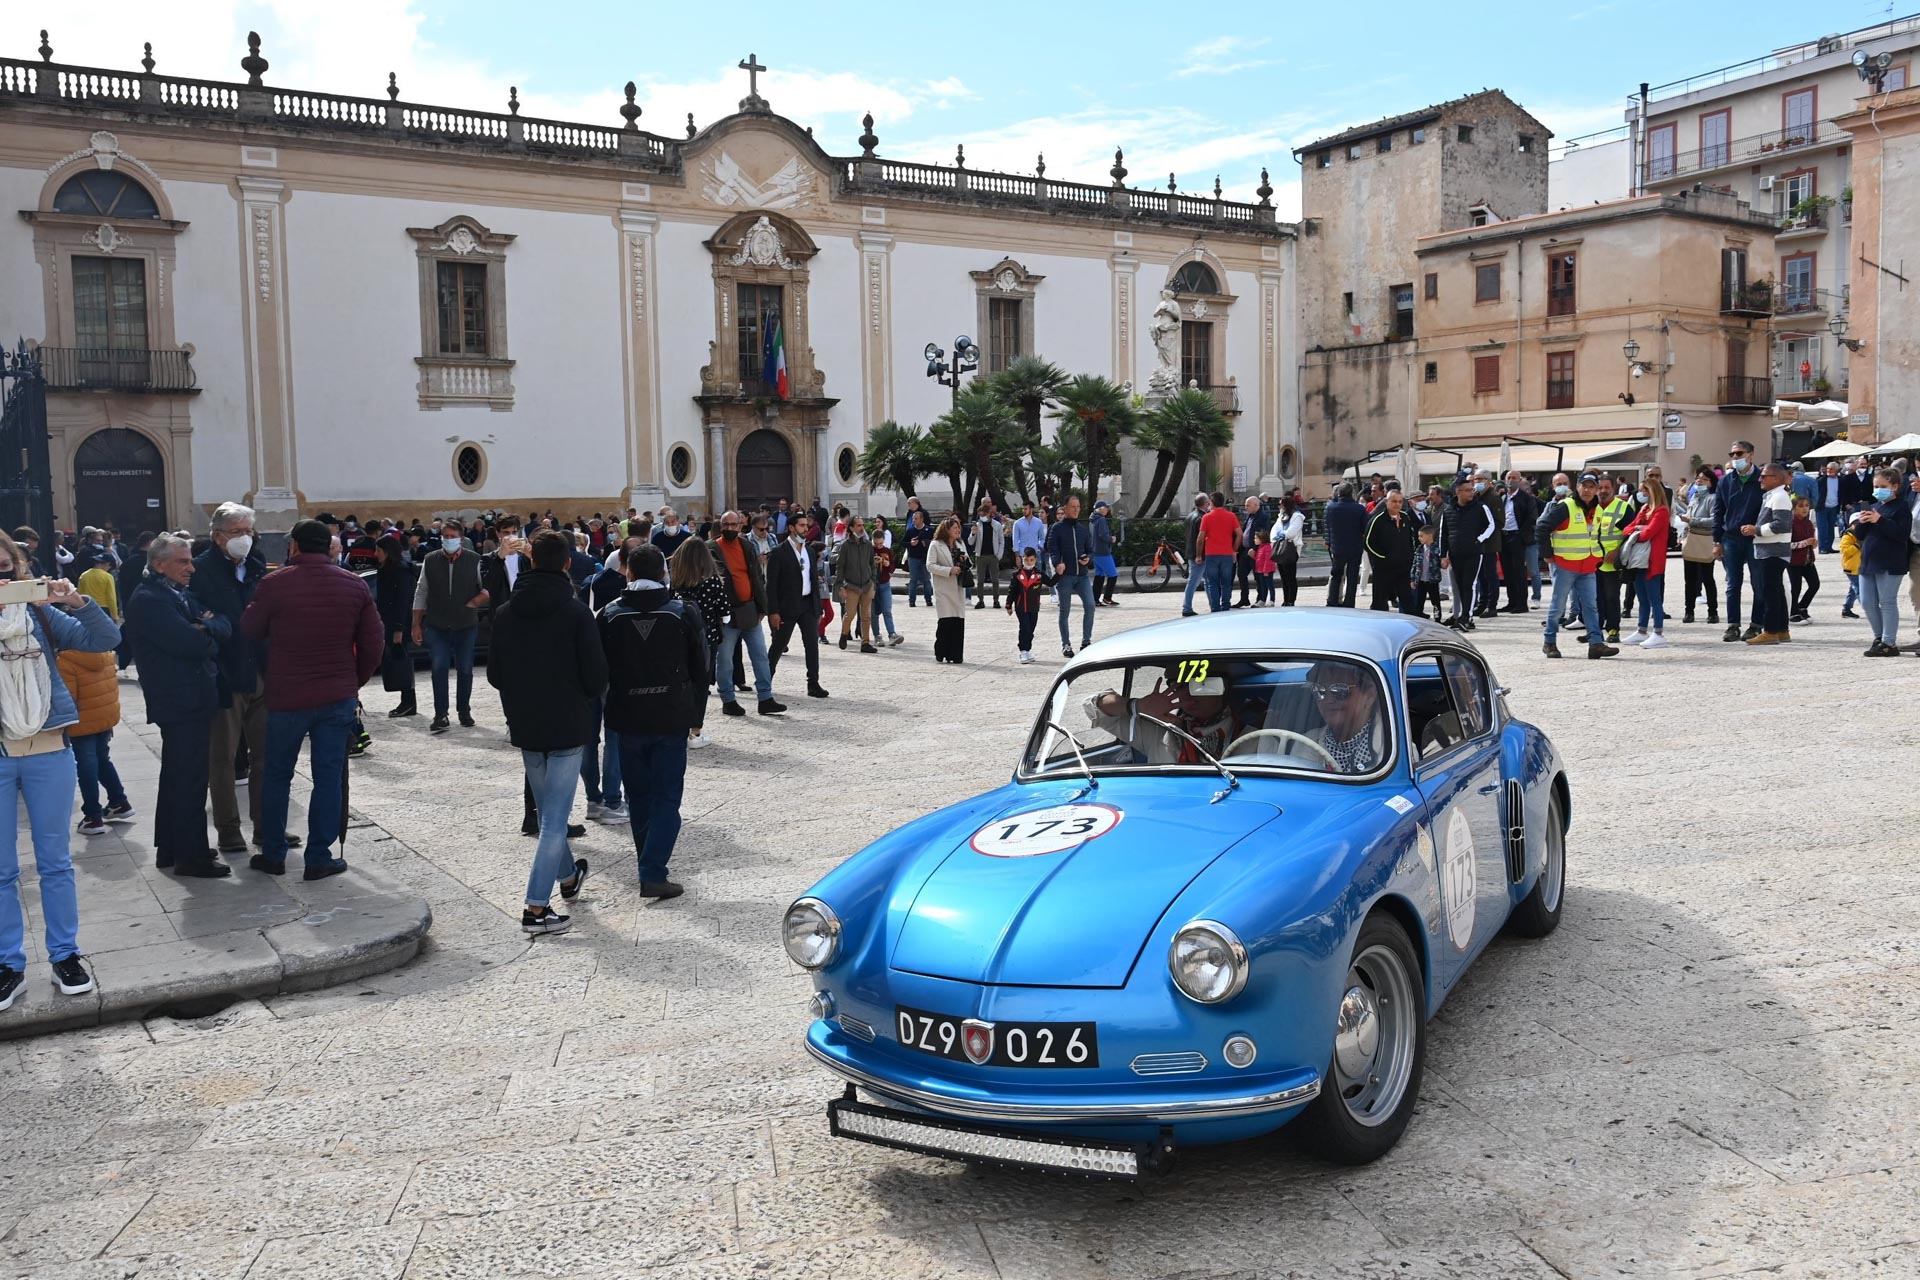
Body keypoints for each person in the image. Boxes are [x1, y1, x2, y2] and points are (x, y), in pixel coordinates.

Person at [0, 532, 121, 1010]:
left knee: (55, 862)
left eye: (5, 569)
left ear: (19, 568)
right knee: (1, 869)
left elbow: (106, 638)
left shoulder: (41, 616)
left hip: (49, 749)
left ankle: (65, 955)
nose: (0, 578)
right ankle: (8, 964)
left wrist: (76, 600)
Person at [241, 520, 382, 879]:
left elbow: (250, 629)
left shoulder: (275, 584)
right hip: (336, 695)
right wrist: (354, 680)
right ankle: (319, 856)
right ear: (329, 547)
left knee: (276, 776)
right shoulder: (354, 585)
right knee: (328, 777)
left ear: (294, 548)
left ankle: (272, 853)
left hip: (287, 694)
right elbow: (372, 642)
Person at [486, 530, 605, 935]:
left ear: (531, 561)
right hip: (568, 723)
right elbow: (596, 677)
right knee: (554, 820)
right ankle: (536, 908)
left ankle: (568, 877)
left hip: (526, 724)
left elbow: (496, 675)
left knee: (548, 813)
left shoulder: (505, 612)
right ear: (568, 564)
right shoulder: (575, 613)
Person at [600, 545, 705, 899]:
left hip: (627, 717)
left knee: (639, 795)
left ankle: (649, 864)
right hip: (671, 716)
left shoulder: (609, 614)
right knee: (667, 796)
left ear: (627, 573)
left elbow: (599, 669)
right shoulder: (681, 612)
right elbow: (700, 667)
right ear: (663, 573)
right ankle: (652, 870)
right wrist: (697, 716)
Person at [125, 533, 231, 875]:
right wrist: (206, 633)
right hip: (179, 700)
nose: (191, 568)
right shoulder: (150, 599)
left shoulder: (175, 593)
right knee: (188, 779)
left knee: (178, 775)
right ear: (159, 564)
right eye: (183, 562)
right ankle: (191, 855)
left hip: (192, 697)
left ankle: (171, 847)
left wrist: (208, 628)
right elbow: (191, 643)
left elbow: (222, 622)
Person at [191, 503, 283, 857]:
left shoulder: (258, 567)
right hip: (225, 673)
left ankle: (266, 826)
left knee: (266, 756)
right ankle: (228, 830)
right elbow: (199, 617)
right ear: (217, 537)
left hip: (261, 668)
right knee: (223, 758)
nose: (244, 538)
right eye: (236, 532)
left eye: (249, 531)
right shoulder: (200, 571)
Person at [62, 561, 134, 837]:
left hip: (81, 722)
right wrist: (113, 617)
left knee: (87, 767)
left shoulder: (66, 658)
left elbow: (68, 696)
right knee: (102, 759)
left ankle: (93, 816)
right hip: (104, 718)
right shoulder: (105, 652)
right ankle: (119, 801)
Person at [410, 523, 486, 733]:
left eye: (452, 536)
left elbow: (486, 589)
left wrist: (473, 603)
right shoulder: (431, 559)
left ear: (461, 539)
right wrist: (416, 623)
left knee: (465, 669)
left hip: (466, 624)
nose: (448, 539)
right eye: (445, 536)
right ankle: (440, 714)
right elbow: (421, 591)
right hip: (437, 624)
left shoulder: (474, 559)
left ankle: (464, 710)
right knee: (439, 667)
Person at [1535, 472, 1617, 660]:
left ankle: (1595, 643)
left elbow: (1594, 536)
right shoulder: (1565, 507)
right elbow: (1541, 527)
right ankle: (1550, 642)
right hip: (1566, 564)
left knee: (1591, 606)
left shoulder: (1598, 510)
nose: (1587, 490)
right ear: (1577, 487)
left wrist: (1600, 554)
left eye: (1591, 487)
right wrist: (1547, 554)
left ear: (1596, 489)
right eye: (1584, 486)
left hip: (1587, 565)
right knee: (1558, 606)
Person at [669, 537, 730, 749]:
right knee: (701, 684)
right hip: (707, 638)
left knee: (681, 682)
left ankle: (679, 726)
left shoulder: (676, 581)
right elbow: (724, 610)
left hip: (680, 637)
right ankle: (695, 731)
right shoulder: (712, 581)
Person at [1850, 468, 1911, 656]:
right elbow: (1859, 535)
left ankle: (1888, 641)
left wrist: (1880, 520)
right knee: (1867, 601)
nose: (1878, 490)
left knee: (1887, 602)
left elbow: (1901, 534)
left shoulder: (1901, 507)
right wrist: (1862, 522)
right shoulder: (1875, 507)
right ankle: (1879, 637)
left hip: (1891, 561)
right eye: (1876, 486)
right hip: (1869, 560)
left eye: (1882, 486)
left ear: (1895, 486)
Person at [766, 513, 829, 698]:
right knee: (779, 644)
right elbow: (771, 585)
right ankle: (765, 680)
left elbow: (813, 581)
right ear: (792, 528)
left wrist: (817, 608)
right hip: (787, 606)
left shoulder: (809, 551)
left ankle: (813, 683)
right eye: (801, 525)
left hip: (807, 604)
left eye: (806, 525)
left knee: (811, 644)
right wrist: (773, 611)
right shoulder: (778, 552)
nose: (805, 528)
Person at [1713, 440, 1765, 643]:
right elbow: (1718, 512)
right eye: (1732, 454)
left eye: (1739, 454)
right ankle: (1733, 625)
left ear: (1750, 455)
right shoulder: (1726, 481)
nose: (1735, 458)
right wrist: (1717, 541)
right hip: (1731, 538)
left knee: (1758, 583)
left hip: (1754, 539)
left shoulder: (1761, 479)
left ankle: (1756, 624)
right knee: (1732, 584)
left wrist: (1759, 530)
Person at [1744, 463, 1796, 645]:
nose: (1760, 479)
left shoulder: (1780, 496)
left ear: (1776, 478)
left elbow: (1781, 524)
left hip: (1773, 550)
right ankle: (1782, 630)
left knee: (1770, 592)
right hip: (1771, 549)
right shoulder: (1774, 496)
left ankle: (1771, 631)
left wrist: (1756, 530)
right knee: (1777, 591)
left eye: (1764, 476)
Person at [1620, 477, 1672, 649]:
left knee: (1654, 598)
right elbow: (1628, 529)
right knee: (1642, 597)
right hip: (1638, 560)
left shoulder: (1662, 511)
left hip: (1652, 560)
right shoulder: (1645, 509)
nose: (1641, 494)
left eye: (1644, 490)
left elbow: (1648, 534)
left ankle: (1658, 632)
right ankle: (1642, 630)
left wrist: (1639, 530)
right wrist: (1637, 528)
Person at [1440, 477, 1494, 630]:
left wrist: (1479, 539)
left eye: (1472, 489)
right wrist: (1443, 555)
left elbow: (1491, 525)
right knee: (1457, 585)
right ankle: (1458, 615)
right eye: (1468, 490)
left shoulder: (1480, 507)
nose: (1472, 492)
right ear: (1458, 492)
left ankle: (1467, 617)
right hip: (1455, 553)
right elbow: (1443, 534)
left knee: (1468, 584)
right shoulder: (1448, 510)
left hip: (1473, 552)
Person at [373, 535, 417, 718]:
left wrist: (398, 629)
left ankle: (408, 702)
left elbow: (401, 602)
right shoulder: (386, 569)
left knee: (401, 663)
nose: (375, 554)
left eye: (378, 550)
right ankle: (405, 701)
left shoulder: (400, 571)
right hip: (388, 622)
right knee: (395, 661)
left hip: (397, 624)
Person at [1047, 497, 1098, 655]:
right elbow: (1052, 548)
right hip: (1065, 577)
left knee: (1090, 606)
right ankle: (1066, 644)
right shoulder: (1057, 528)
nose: (1076, 509)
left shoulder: (1082, 529)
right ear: (1065, 508)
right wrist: (1057, 564)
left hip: (1082, 576)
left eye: (1078, 506)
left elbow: (1090, 549)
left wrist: (1088, 559)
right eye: (1073, 507)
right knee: (1065, 611)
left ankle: (1086, 642)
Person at [1592, 476, 1632, 643]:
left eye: (1606, 487)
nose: (1603, 491)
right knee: (1594, 598)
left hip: (1612, 563)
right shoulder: (1592, 508)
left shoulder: (1623, 508)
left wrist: (1617, 551)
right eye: (1600, 488)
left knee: (1611, 597)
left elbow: (1631, 535)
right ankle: (1595, 632)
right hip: (1593, 561)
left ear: (1613, 489)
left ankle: (1613, 629)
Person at [1365, 490, 1418, 614]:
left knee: (1407, 600)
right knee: (1380, 602)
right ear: (1386, 502)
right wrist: (1384, 558)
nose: (1397, 504)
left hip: (1403, 568)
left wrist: (1410, 555)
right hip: (1384, 569)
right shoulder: (1377, 520)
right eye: (1394, 501)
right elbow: (1368, 543)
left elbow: (1412, 538)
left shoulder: (1405, 517)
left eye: (1400, 502)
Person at [1680, 468, 1721, 625]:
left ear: (1711, 483)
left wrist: (1692, 520)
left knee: (1707, 578)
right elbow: (1687, 520)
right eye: (1698, 478)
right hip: (1691, 539)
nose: (1699, 481)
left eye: (1704, 479)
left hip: (1705, 539)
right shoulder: (1694, 497)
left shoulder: (1713, 498)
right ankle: (1689, 611)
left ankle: (1713, 612)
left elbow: (1714, 520)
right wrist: (1683, 533)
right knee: (1689, 579)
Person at [928, 514, 969, 664]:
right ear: (946, 530)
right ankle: (941, 652)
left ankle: (956, 654)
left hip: (957, 587)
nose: (958, 530)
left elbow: (969, 561)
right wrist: (948, 570)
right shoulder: (935, 545)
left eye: (958, 527)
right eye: (955, 528)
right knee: (946, 621)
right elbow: (930, 565)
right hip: (944, 588)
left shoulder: (960, 544)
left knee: (958, 621)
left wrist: (964, 562)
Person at [835, 514, 878, 654]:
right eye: (858, 525)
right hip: (852, 585)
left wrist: (873, 581)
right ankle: (844, 633)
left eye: (862, 525)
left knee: (866, 616)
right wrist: (840, 585)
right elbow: (840, 567)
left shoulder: (867, 545)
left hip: (866, 585)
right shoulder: (845, 546)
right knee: (851, 613)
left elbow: (872, 564)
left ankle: (865, 642)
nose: (861, 528)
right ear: (852, 527)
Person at [1499, 473, 1540, 613]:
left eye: (1514, 478)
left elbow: (1531, 518)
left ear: (1519, 480)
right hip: (1504, 537)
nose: (1511, 481)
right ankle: (1512, 602)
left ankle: (1522, 603)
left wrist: (1521, 536)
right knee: (1508, 571)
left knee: (1519, 572)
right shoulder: (1503, 498)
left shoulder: (1526, 498)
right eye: (1509, 478)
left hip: (1518, 537)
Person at [1323, 485, 1368, 607]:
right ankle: (1349, 602)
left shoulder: (1331, 508)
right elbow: (1365, 528)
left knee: (1336, 574)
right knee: (1352, 577)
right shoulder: (1359, 509)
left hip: (1337, 547)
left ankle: (1332, 600)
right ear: (1351, 493)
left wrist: (1329, 541)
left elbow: (1327, 526)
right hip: (1355, 546)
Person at [1196, 490, 1240, 614]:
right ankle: (1226, 606)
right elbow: (1239, 534)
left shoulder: (1207, 517)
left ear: (1211, 503)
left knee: (1212, 583)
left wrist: (1199, 554)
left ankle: (1215, 608)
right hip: (1226, 553)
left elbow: (1200, 537)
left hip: (1211, 554)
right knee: (1226, 582)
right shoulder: (1231, 516)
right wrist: (1234, 549)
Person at [1006, 547, 1045, 664]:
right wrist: (1009, 605)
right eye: (1027, 559)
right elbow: (1012, 591)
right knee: (1025, 628)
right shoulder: (1017, 575)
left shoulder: (1039, 574)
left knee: (1031, 629)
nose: (1029, 562)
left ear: (1035, 560)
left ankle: (1028, 650)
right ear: (1023, 559)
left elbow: (1051, 582)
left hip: (1034, 607)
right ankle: (1022, 650)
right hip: (1021, 607)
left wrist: (1059, 573)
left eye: (1031, 560)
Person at [970, 500, 1011, 610]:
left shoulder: (996, 525)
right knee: (980, 580)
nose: (982, 516)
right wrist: (973, 533)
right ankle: (980, 600)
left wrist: (999, 555)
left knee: (995, 579)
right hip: (980, 555)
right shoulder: (977, 525)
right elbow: (970, 542)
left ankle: (996, 600)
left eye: (983, 514)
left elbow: (1001, 541)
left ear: (989, 513)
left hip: (993, 555)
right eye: (980, 514)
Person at [1233, 495, 1270, 609]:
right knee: (1241, 574)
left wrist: (1255, 548)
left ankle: (1261, 598)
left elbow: (1263, 534)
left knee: (1258, 576)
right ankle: (1244, 598)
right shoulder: (1250, 516)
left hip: (1256, 551)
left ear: (1256, 505)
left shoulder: (1263, 517)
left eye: (1248, 505)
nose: (1246, 507)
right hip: (1245, 550)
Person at [1788, 496, 1820, 625]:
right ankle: (1793, 612)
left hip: (1807, 560)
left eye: (1807, 505)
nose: (1804, 508)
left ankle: (1802, 607)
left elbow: (1812, 540)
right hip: (1794, 561)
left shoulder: (1808, 523)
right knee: (1796, 587)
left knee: (1814, 584)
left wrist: (1813, 544)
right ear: (1794, 508)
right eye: (1800, 506)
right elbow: (1787, 544)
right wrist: (1805, 543)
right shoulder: (1790, 523)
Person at [869, 517, 902, 646]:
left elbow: (893, 567)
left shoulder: (887, 551)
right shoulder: (869, 550)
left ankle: (892, 634)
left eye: (880, 544)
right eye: (876, 544)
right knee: (874, 612)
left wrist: (887, 564)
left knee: (887, 610)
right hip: (872, 584)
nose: (878, 547)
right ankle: (877, 636)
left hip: (884, 583)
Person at [1180, 493, 1211, 617]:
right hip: (1199, 554)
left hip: (1192, 552)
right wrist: (1199, 555)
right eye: (1208, 502)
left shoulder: (1190, 516)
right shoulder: (1202, 518)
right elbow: (1200, 539)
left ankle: (1213, 604)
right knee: (1194, 581)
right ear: (1205, 504)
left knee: (1207, 580)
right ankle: (1187, 607)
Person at [1088, 500, 1120, 608]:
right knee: (1113, 574)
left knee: (1099, 575)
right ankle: (1107, 598)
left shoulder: (1092, 520)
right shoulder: (1101, 520)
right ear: (1101, 509)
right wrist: (1111, 538)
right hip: (1103, 552)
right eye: (1106, 508)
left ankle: (1095, 599)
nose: (1107, 510)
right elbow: (1103, 535)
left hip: (1095, 552)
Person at [1411, 525, 1444, 620]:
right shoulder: (1419, 549)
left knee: (1435, 601)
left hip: (1432, 580)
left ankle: (1437, 618)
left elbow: (1440, 562)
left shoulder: (1437, 548)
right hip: (1420, 580)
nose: (1419, 538)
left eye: (1421, 536)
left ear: (1430, 536)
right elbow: (1415, 564)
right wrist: (1413, 579)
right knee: (1419, 601)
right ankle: (1418, 616)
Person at [902, 509, 934, 607]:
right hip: (913, 557)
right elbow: (903, 543)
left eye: (916, 518)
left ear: (921, 519)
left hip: (925, 558)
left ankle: (928, 599)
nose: (914, 520)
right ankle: (912, 600)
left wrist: (927, 543)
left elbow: (935, 542)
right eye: (913, 519)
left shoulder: (929, 530)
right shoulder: (910, 531)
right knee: (913, 580)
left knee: (926, 579)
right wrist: (910, 543)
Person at [1815, 461, 1845, 555]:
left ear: (1837, 470)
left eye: (1831, 469)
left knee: (1831, 528)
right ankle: (1822, 548)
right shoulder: (1821, 480)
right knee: (1822, 528)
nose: (1829, 470)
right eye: (1828, 468)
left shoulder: (1841, 480)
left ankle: (1829, 547)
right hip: (1822, 507)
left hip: (1834, 506)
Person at [1251, 528, 1276, 607]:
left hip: (1266, 570)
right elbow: (1259, 559)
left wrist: (1266, 571)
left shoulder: (1267, 547)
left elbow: (1267, 560)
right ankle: (1263, 599)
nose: (1254, 540)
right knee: (1262, 585)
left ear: (1261, 539)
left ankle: (1272, 600)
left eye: (1256, 538)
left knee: (1270, 585)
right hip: (1260, 570)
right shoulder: (1260, 547)